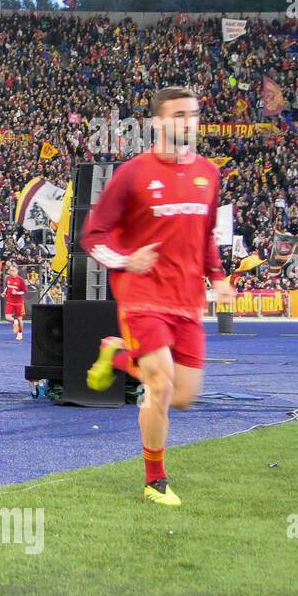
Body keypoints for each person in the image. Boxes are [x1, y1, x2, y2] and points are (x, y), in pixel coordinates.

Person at [83, 85, 234, 507]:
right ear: (157, 123)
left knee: (184, 397)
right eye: (178, 114)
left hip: (186, 302)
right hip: (141, 297)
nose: (188, 121)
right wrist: (126, 260)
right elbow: (93, 236)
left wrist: (218, 277)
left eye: (193, 114)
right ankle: (155, 481)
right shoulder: (132, 174)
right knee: (161, 385)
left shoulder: (210, 173)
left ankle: (115, 354)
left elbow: (205, 236)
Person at [4, 263, 27, 341]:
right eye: (10, 270)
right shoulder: (8, 279)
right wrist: (4, 293)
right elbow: (7, 287)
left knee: (20, 318)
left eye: (13, 270)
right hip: (10, 301)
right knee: (7, 317)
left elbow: (25, 291)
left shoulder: (21, 280)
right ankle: (15, 321)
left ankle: (20, 333)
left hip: (19, 302)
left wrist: (17, 293)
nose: (11, 272)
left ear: (17, 271)